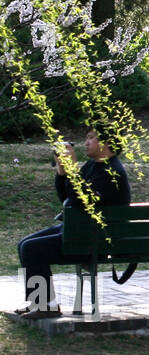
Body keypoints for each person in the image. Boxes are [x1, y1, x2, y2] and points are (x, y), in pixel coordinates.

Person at [15, 124, 131, 318]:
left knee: (31, 249)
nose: (85, 143)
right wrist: (63, 173)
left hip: (95, 239)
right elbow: (68, 199)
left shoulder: (112, 173)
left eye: (91, 138)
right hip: (81, 230)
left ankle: (46, 306)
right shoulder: (94, 166)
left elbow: (81, 201)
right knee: (24, 244)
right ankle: (39, 303)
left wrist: (73, 169)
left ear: (108, 143)